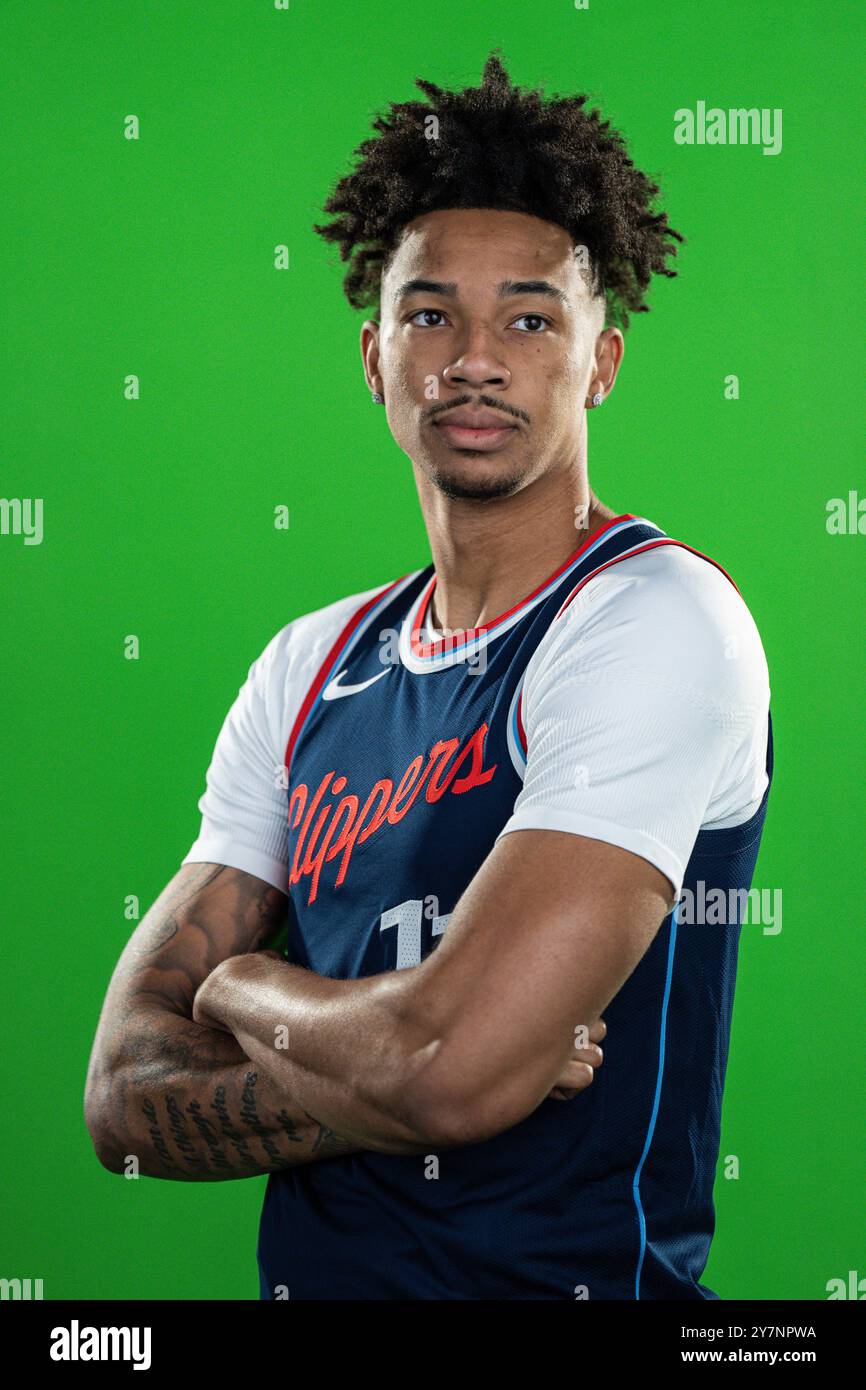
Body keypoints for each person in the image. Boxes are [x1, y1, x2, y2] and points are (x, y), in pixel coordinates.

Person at [85, 52, 772, 1300]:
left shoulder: (651, 621)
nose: (472, 358)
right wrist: (412, 1067)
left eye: (527, 317)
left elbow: (452, 1071)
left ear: (599, 363)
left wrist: (244, 988)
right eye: (427, 314)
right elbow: (125, 1098)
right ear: (374, 356)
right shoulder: (312, 664)